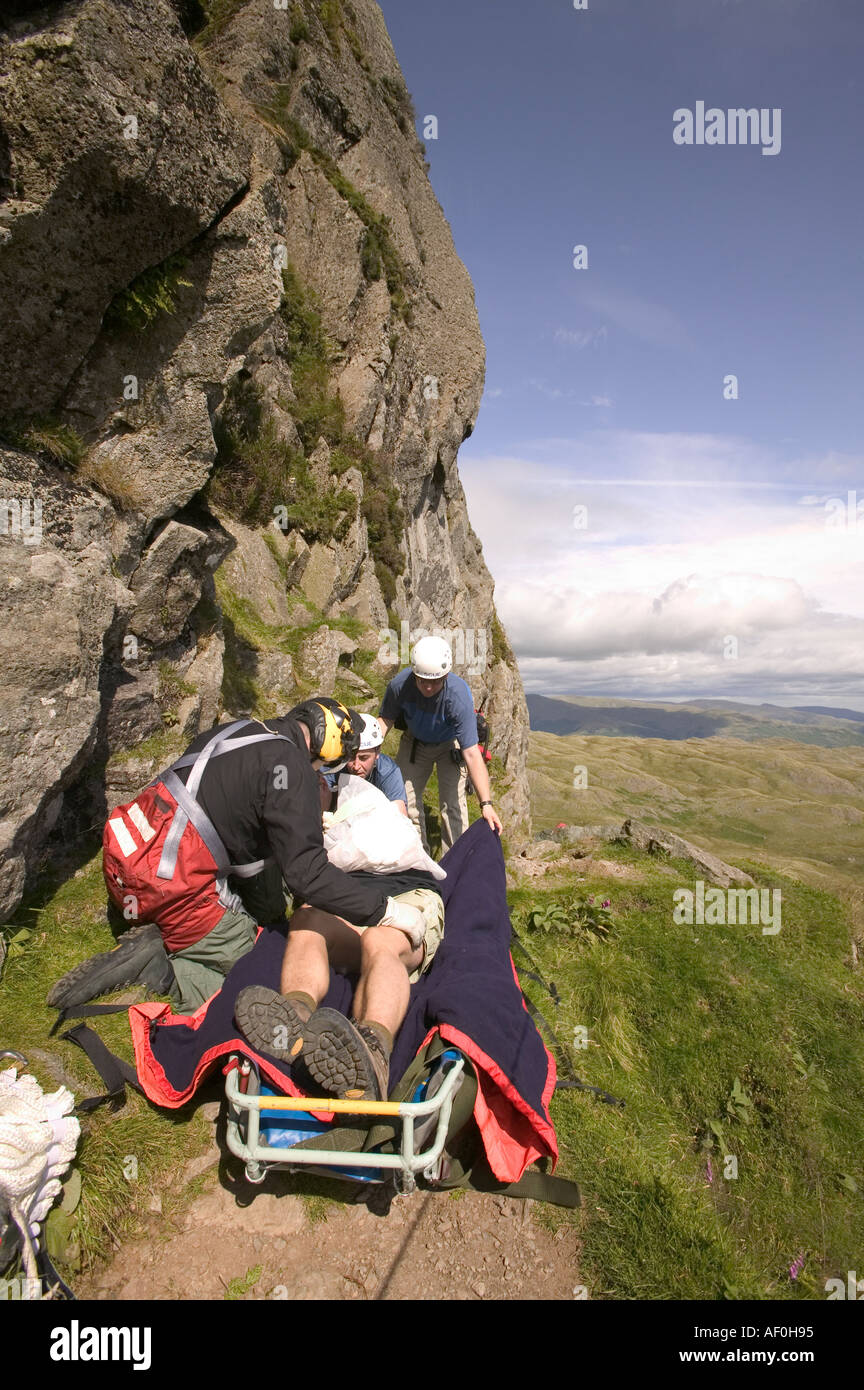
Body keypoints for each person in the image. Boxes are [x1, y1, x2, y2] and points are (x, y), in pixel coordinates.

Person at [47, 698, 426, 1031]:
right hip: (168, 888)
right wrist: (385, 911)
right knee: (262, 969)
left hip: (127, 862)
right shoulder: (294, 770)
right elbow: (308, 876)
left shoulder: (242, 730)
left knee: (259, 921)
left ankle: (158, 934)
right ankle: (161, 974)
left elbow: (250, 853)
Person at [377, 635, 503, 852]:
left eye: (436, 682)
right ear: (414, 674)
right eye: (422, 681)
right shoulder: (400, 685)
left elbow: (472, 753)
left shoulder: (458, 695)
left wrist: (486, 804)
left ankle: (455, 861)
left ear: (446, 675)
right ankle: (417, 858)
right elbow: (385, 720)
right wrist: (368, 751)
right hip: (414, 742)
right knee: (404, 799)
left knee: (452, 805)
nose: (428, 688)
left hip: (449, 746)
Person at [320, 713, 408, 815]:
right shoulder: (331, 766)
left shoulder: (388, 771)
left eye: (363, 758)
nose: (356, 766)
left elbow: (400, 816)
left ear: (377, 752)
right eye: (351, 757)